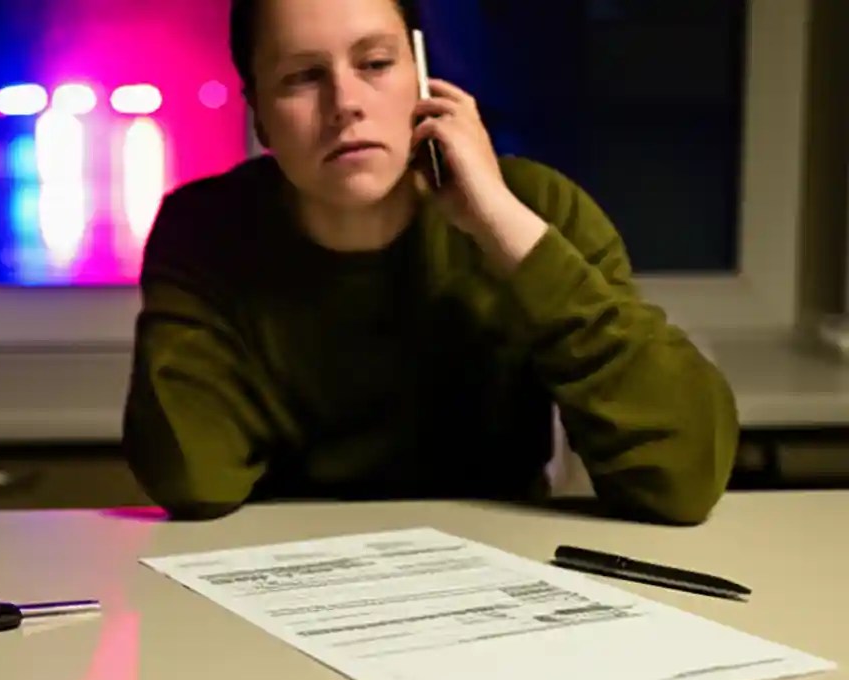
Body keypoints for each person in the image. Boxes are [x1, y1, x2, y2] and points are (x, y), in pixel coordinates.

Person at [121, 0, 739, 524]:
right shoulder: (205, 230)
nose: (346, 103)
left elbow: (681, 477)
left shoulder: (537, 207)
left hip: (499, 572)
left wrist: (501, 225)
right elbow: (192, 478)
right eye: (303, 77)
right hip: (275, 576)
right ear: (259, 114)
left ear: (421, 76)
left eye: (376, 64)